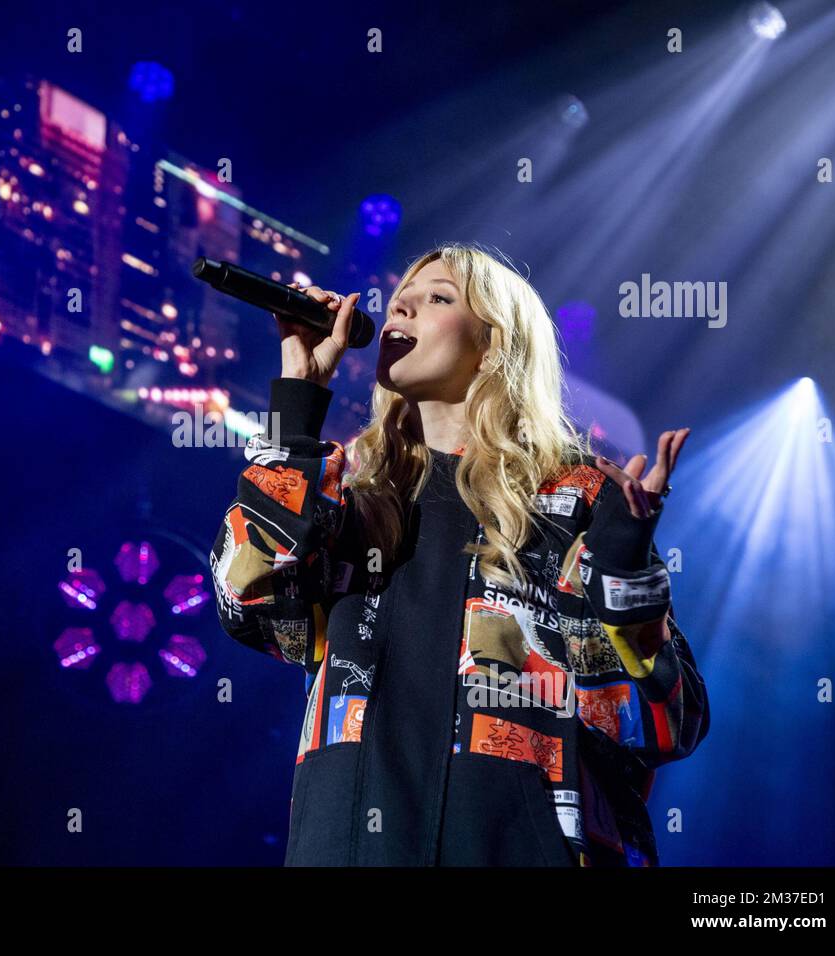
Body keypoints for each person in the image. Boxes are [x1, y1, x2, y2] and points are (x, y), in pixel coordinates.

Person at [209, 242, 710, 866]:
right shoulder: (349, 498)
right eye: (397, 305)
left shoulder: (573, 498)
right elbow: (250, 603)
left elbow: (662, 721)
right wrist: (297, 407)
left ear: (495, 344)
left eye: (435, 299)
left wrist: (623, 572)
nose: (399, 316)